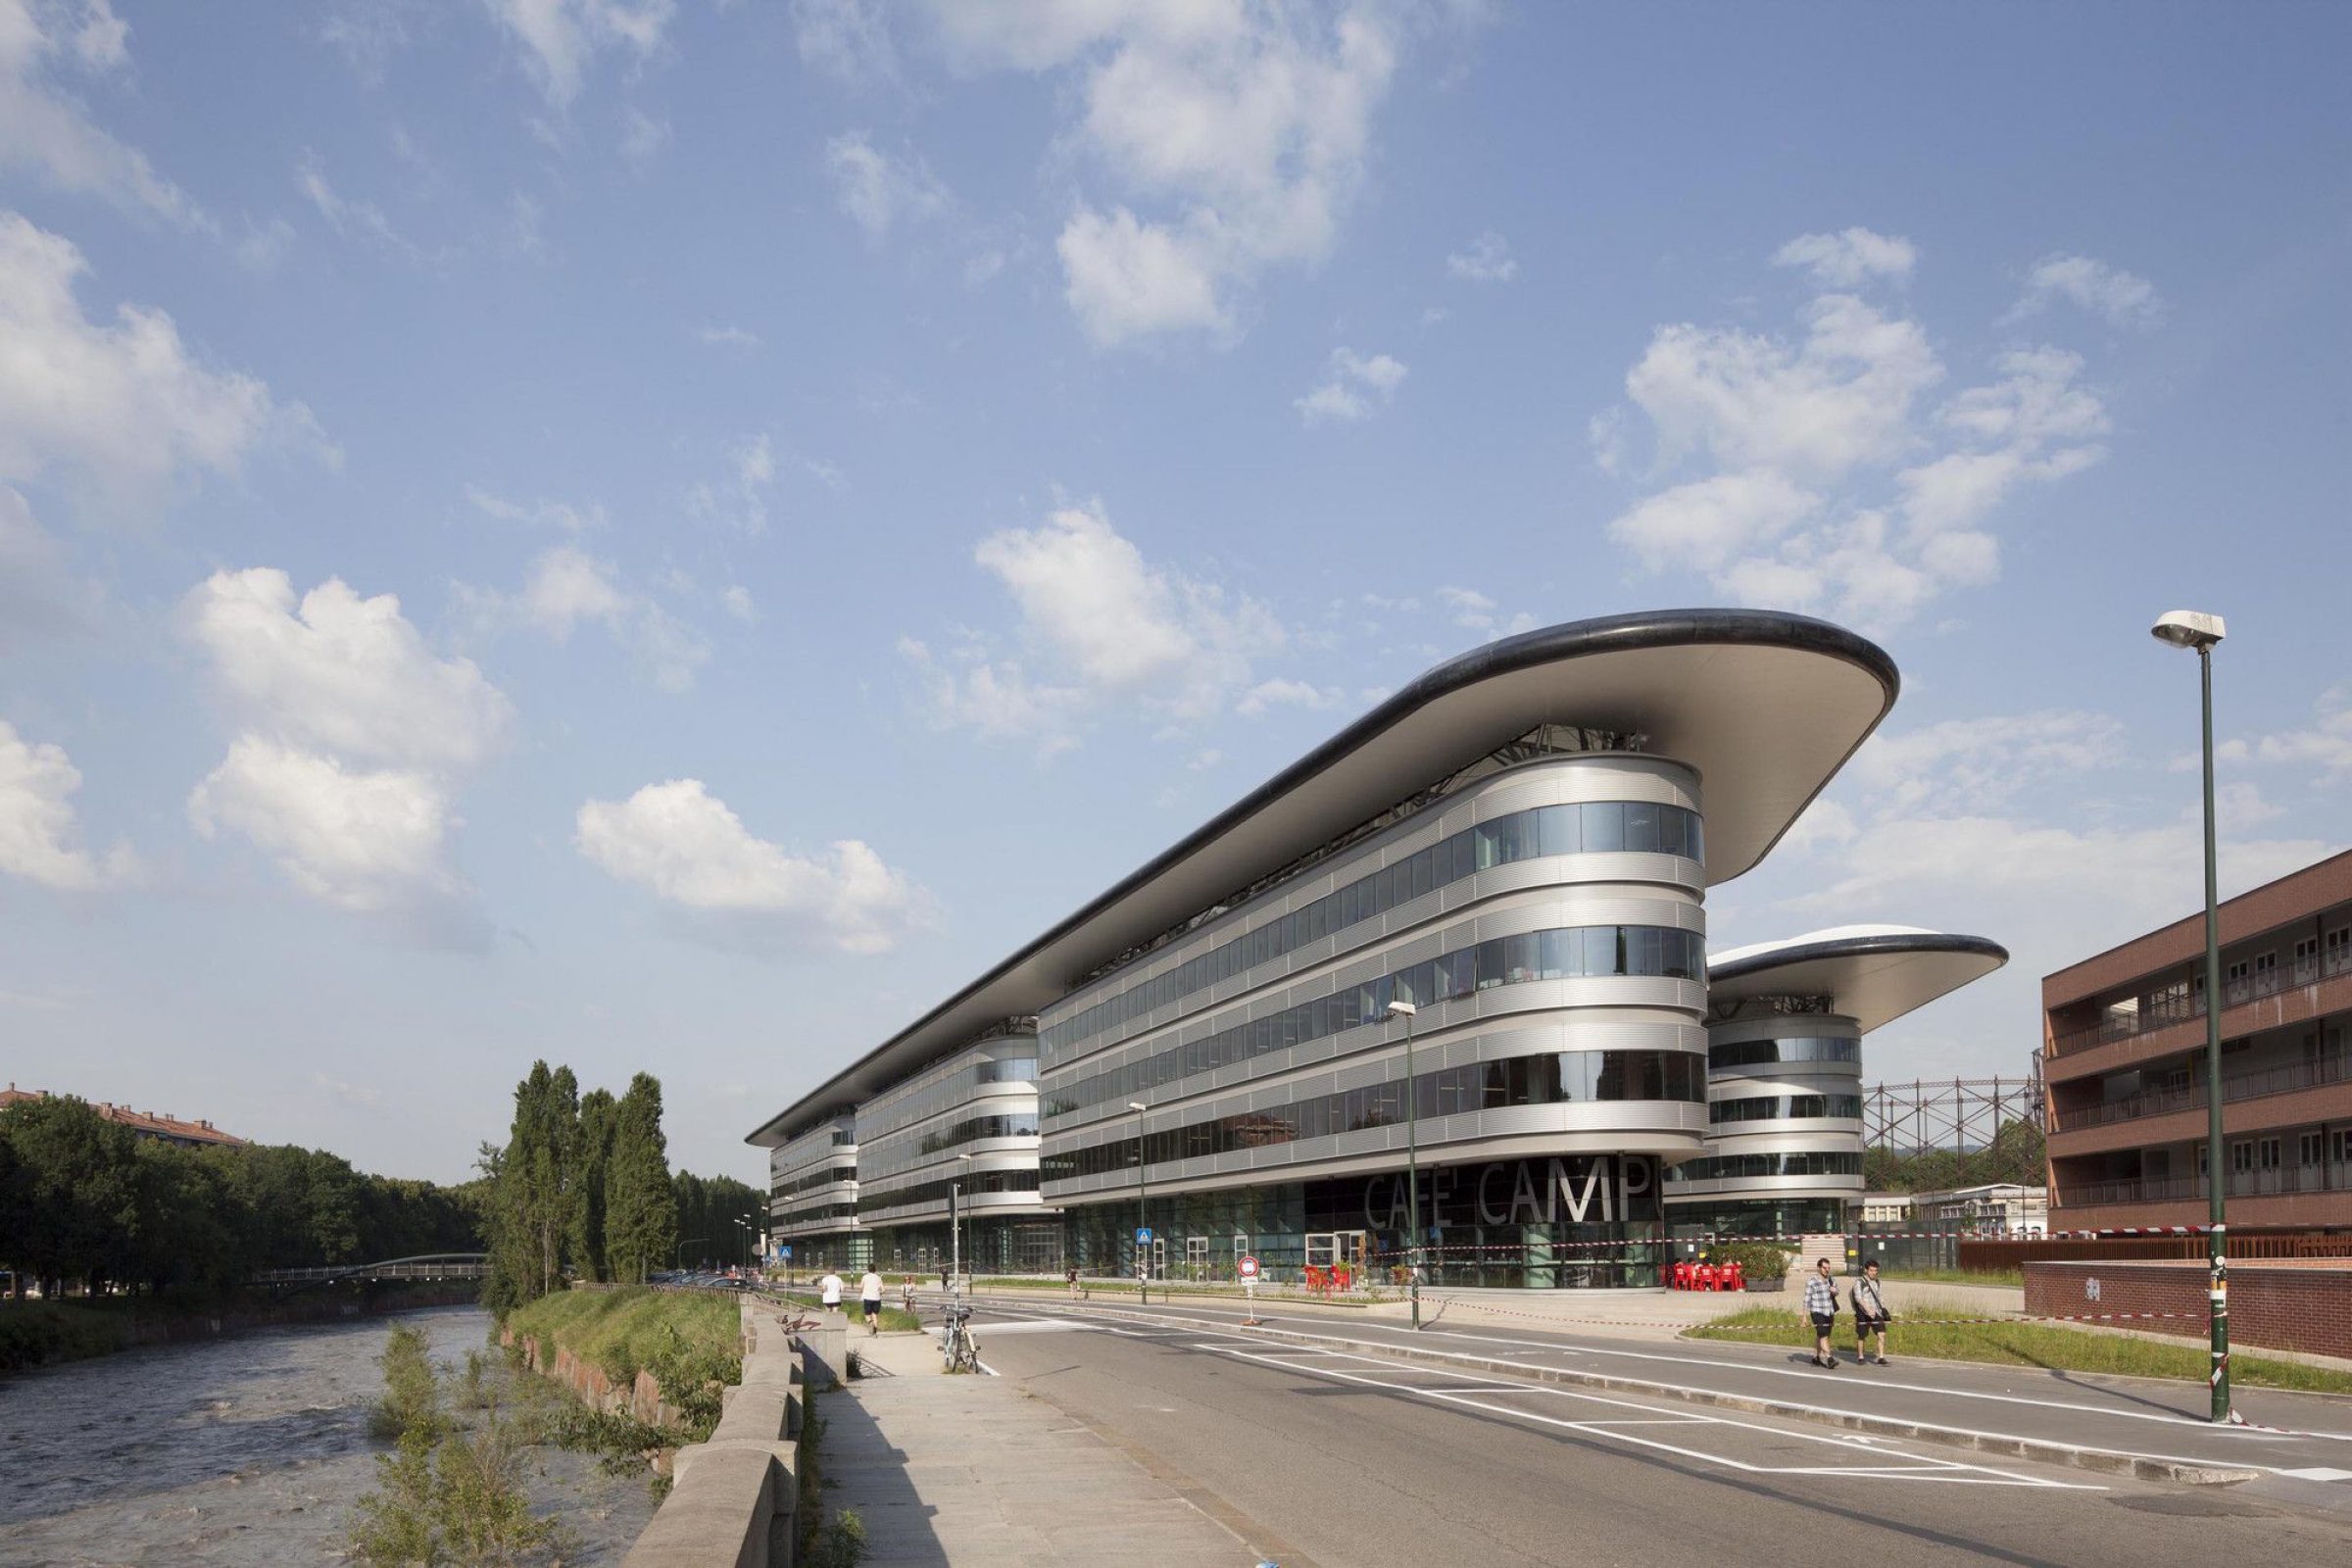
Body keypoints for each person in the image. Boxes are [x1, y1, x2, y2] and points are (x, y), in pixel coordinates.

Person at [1851, 1259, 1891, 1365]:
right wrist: (1868, 1310)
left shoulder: (1877, 1281)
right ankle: (1860, 1357)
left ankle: (1881, 1357)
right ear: (1866, 1270)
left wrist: (1884, 1310)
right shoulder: (1859, 1282)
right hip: (1863, 1313)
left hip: (1876, 1312)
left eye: (1875, 1271)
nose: (1874, 1273)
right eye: (1871, 1270)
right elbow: (1858, 1298)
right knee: (1862, 1336)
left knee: (1881, 1333)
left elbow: (1879, 1296)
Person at [1803, 1257, 1840, 1369]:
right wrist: (1804, 1317)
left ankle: (1816, 1358)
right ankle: (1829, 1359)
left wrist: (1835, 1291)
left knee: (1822, 1335)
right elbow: (1806, 1300)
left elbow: (1837, 1291)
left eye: (1828, 1268)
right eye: (1824, 1268)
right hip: (1817, 1311)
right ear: (1819, 1268)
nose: (1827, 1270)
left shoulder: (1831, 1279)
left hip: (1829, 1311)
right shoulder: (1812, 1282)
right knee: (1823, 1335)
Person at [858, 1267, 885, 1335]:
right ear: (875, 1270)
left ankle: (871, 1323)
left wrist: (861, 1291)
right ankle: (875, 1331)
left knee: (867, 1315)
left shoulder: (865, 1277)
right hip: (877, 1298)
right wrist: (880, 1293)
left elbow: (860, 1287)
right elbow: (883, 1290)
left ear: (868, 1270)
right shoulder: (878, 1278)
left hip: (867, 1298)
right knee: (874, 1315)